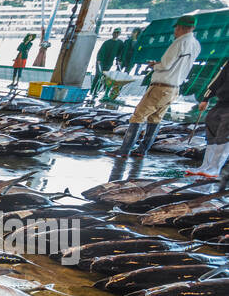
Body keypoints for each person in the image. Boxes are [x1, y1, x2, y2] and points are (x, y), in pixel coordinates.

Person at [117, 14, 201, 158]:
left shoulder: (179, 42)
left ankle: (124, 150)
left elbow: (166, 65)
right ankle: (142, 150)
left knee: (138, 116)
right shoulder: (196, 44)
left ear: (180, 28)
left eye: (176, 28)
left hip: (161, 86)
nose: (175, 32)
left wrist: (155, 65)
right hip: (173, 89)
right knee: (155, 118)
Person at [191, 60, 229, 186]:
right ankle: (206, 165)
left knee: (224, 135)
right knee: (211, 131)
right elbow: (218, 79)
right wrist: (206, 98)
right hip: (221, 102)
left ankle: (215, 168)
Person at [90, 28, 124, 96]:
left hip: (109, 63)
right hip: (101, 61)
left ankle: (97, 91)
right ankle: (92, 90)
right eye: (115, 33)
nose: (116, 34)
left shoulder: (120, 43)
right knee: (98, 75)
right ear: (112, 33)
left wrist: (119, 60)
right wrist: (99, 60)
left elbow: (120, 53)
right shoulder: (107, 42)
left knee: (104, 77)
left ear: (119, 34)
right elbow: (100, 52)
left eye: (118, 33)